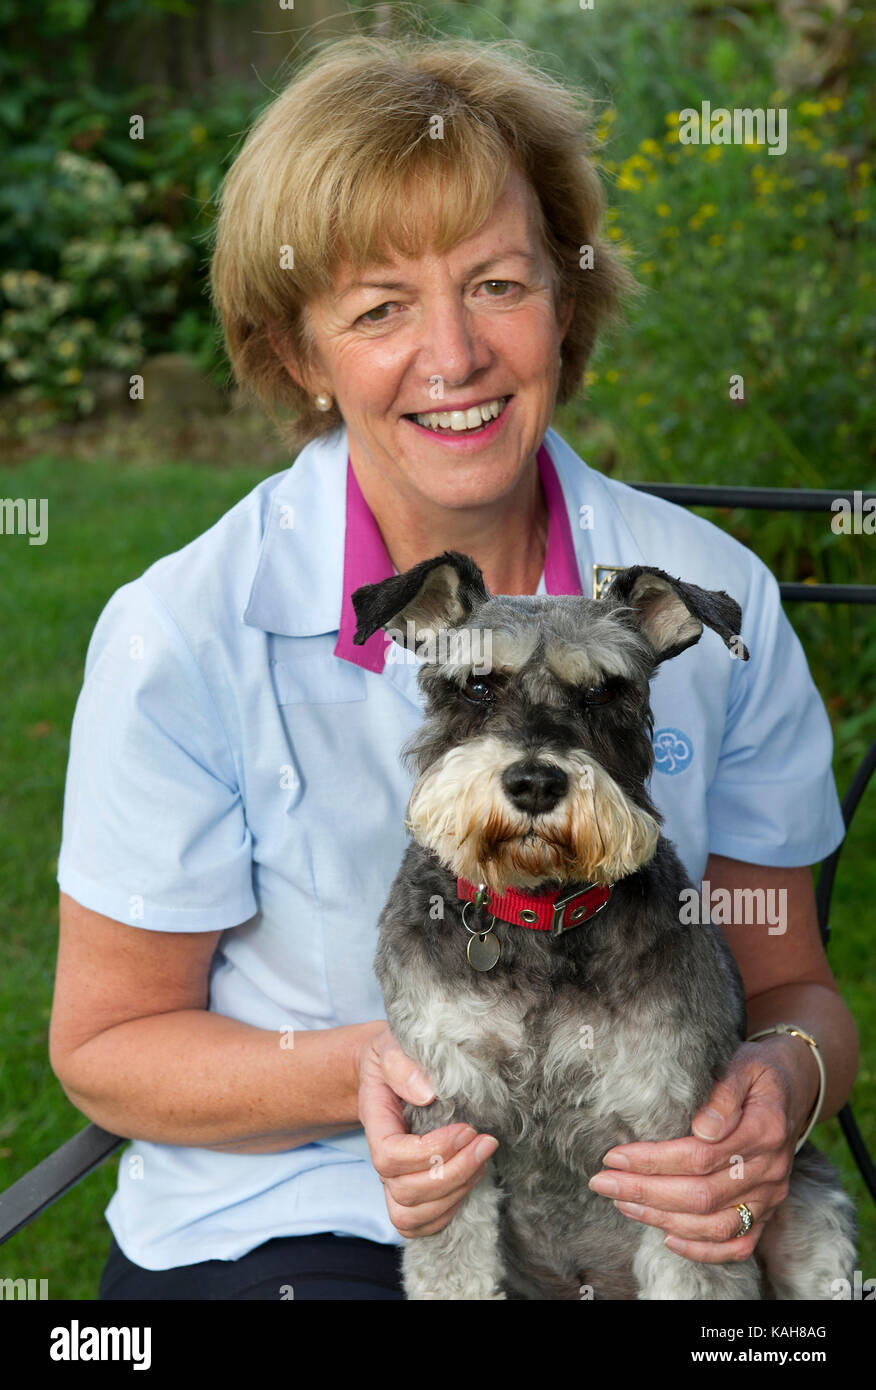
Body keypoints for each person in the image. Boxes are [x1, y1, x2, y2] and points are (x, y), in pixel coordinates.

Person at [49, 34, 857, 1301]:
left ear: (564, 299)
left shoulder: (713, 590)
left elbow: (791, 980)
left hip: (649, 1214)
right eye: (379, 308)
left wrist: (780, 1087)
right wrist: (386, 1068)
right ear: (303, 353)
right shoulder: (184, 627)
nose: (455, 358)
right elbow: (107, 1046)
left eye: (495, 284)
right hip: (294, 1208)